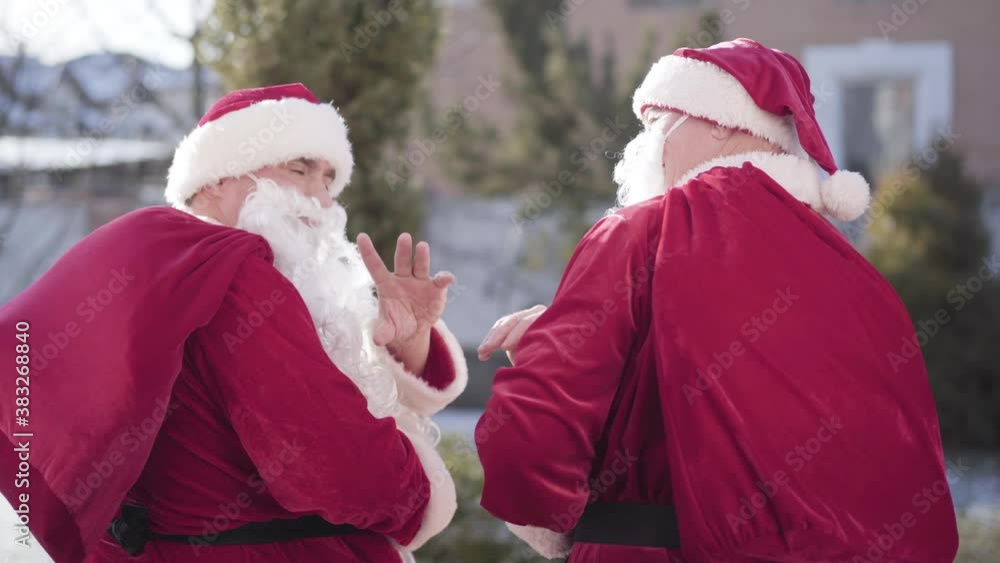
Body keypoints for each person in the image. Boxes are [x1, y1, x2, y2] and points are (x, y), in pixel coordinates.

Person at [475, 39, 958, 562]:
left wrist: (554, 351)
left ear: (721, 123)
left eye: (659, 123)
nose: (647, 147)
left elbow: (531, 441)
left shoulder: (642, 232)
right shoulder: (860, 280)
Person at [0, 83, 467, 563]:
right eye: (298, 169)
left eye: (329, 179)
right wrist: (421, 498)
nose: (320, 200)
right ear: (214, 181)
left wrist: (410, 344)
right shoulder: (237, 270)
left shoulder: (164, 262)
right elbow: (330, 462)